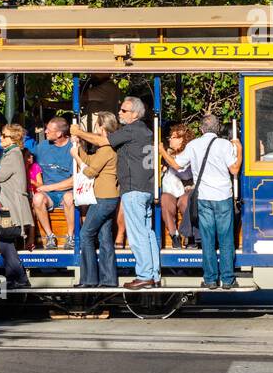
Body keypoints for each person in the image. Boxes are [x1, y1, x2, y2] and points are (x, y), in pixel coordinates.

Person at [74, 96, 159, 289]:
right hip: (146, 188)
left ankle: (145, 275)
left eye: (124, 110)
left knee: (138, 235)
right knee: (147, 233)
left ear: (135, 114)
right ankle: (153, 273)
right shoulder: (145, 131)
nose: (119, 113)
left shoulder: (131, 130)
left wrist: (78, 132)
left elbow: (103, 141)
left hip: (133, 189)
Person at [169, 114, 242, 290]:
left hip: (203, 197)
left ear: (201, 129)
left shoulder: (193, 145)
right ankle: (228, 279)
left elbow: (177, 165)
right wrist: (239, 149)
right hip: (223, 196)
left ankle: (210, 279)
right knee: (226, 239)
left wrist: (162, 151)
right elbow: (234, 169)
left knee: (207, 239)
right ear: (218, 130)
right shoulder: (225, 145)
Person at [74, 112, 120, 287]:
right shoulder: (106, 148)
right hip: (107, 197)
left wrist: (76, 157)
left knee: (86, 234)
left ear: (101, 127)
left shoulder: (107, 149)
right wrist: (78, 149)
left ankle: (89, 279)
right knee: (105, 237)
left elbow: (89, 171)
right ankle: (108, 279)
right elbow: (91, 160)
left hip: (103, 198)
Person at [0, 121, 32, 290]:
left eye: (3, 136)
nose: (0, 138)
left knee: (4, 241)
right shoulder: (10, 153)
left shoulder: (13, 155)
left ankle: (20, 277)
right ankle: (13, 278)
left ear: (13, 139)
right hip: (7, 203)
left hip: (11, 205)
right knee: (4, 241)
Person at [28, 117, 76, 250]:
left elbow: (74, 180)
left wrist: (48, 187)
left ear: (59, 134)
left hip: (67, 192)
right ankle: (49, 236)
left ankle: (70, 236)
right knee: (37, 198)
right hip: (48, 195)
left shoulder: (73, 148)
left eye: (49, 130)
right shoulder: (42, 146)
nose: (45, 132)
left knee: (69, 198)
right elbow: (27, 157)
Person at [160, 124, 194, 249]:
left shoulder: (189, 153)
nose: (170, 139)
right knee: (165, 200)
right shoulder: (169, 153)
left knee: (185, 202)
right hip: (171, 190)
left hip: (187, 189)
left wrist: (162, 151)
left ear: (182, 139)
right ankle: (174, 235)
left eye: (173, 137)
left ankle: (190, 235)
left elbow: (178, 166)